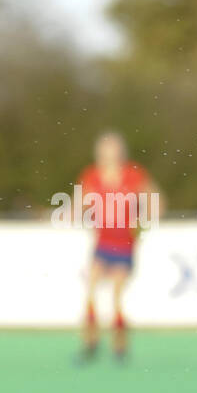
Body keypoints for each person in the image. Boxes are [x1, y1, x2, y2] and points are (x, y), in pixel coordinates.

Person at [76, 131, 162, 362]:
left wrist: (146, 219)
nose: (108, 153)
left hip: (124, 245)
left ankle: (120, 346)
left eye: (112, 149)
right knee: (91, 289)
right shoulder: (92, 175)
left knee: (116, 294)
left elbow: (154, 198)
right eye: (104, 149)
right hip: (102, 242)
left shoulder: (134, 175)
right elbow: (80, 203)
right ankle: (90, 343)